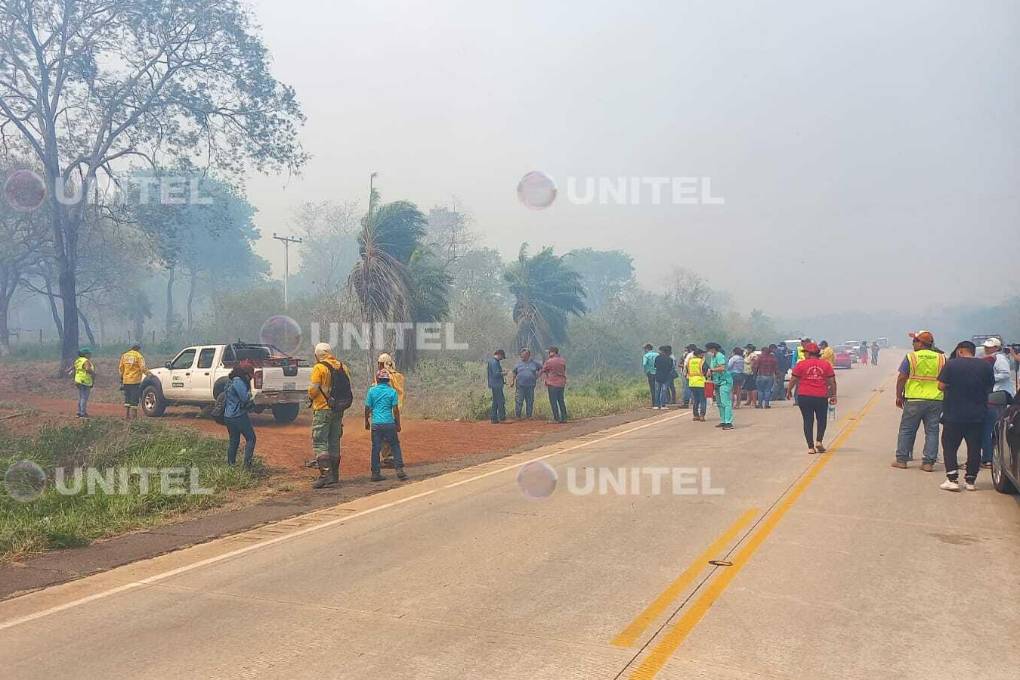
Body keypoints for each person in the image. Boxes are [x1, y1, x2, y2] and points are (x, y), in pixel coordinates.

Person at [937, 341, 994, 491]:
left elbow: (941, 386)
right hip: (977, 415)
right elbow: (990, 388)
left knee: (949, 446)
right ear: (973, 352)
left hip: (954, 413)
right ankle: (970, 481)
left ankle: (952, 479)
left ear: (960, 351)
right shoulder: (985, 366)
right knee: (974, 448)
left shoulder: (952, 364)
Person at [892, 330, 946, 471]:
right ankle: (928, 463)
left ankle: (902, 460)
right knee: (932, 431)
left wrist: (899, 395)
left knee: (907, 430)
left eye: (915, 341)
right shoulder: (942, 358)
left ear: (922, 343)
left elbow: (902, 377)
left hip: (914, 399)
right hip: (936, 400)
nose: (913, 344)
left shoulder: (911, 357)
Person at [308, 342, 353, 489]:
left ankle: (324, 476)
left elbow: (313, 391)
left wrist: (311, 395)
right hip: (338, 409)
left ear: (318, 355)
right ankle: (334, 475)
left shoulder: (319, 368)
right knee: (334, 441)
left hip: (322, 409)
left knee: (320, 441)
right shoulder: (342, 366)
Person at [787, 342, 837, 454]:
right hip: (821, 396)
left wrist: (789, 390)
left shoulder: (801, 365)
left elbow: (794, 379)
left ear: (809, 353)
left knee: (808, 420)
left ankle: (810, 447)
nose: (804, 355)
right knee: (821, 420)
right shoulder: (826, 365)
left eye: (805, 353)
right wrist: (833, 395)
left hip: (804, 396)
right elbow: (832, 382)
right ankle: (819, 441)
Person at [365, 369, 407, 482]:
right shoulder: (392, 392)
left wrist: (366, 421)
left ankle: (375, 473)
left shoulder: (371, 391)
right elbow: (395, 410)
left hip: (376, 424)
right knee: (395, 446)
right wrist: (398, 423)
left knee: (375, 448)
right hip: (389, 423)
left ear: (377, 379)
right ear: (388, 380)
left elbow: (367, 408)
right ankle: (399, 470)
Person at [979, 337, 1015, 469]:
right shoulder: (990, 357)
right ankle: (988, 457)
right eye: (986, 346)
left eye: (990, 347)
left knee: (990, 428)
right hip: (994, 395)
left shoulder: (999, 359)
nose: (986, 348)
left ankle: (988, 458)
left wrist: (989, 378)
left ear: (996, 347)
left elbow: (1005, 374)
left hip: (999, 395)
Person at [223, 362, 257, 468]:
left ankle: (231, 465)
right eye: (250, 375)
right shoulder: (238, 381)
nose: (251, 378)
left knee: (234, 441)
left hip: (228, 416)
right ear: (245, 374)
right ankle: (247, 466)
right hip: (238, 415)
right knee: (251, 438)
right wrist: (251, 394)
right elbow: (244, 398)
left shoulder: (230, 380)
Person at [376, 353, 406, 468]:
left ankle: (389, 458)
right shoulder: (399, 376)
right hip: (397, 406)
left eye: (379, 363)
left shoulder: (384, 375)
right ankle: (395, 457)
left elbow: (379, 390)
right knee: (392, 433)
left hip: (386, 408)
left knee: (384, 434)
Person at [118, 343, 151, 420]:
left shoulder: (124, 355)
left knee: (127, 398)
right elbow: (142, 368)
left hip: (126, 380)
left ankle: (127, 415)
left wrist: (121, 378)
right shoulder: (139, 356)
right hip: (135, 380)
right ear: (138, 349)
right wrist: (149, 374)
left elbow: (121, 368)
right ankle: (134, 417)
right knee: (134, 398)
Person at [706, 343, 733, 430]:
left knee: (726, 402)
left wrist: (712, 370)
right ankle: (723, 420)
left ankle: (728, 422)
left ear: (713, 349)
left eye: (709, 349)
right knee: (719, 403)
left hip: (724, 381)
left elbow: (722, 368)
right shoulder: (713, 357)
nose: (708, 352)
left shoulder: (719, 356)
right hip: (717, 382)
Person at [512, 348, 543, 418]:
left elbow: (542, 368)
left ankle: (529, 416)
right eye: (521, 355)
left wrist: (538, 375)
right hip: (520, 385)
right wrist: (512, 381)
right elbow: (514, 372)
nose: (522, 357)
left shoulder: (534, 363)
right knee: (519, 401)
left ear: (528, 355)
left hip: (530, 385)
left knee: (530, 401)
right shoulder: (518, 364)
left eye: (523, 355)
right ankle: (518, 416)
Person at [542, 346, 568, 423]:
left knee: (553, 401)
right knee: (561, 401)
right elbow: (563, 369)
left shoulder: (549, 361)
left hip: (552, 383)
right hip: (561, 383)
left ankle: (556, 418)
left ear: (552, 352)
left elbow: (544, 369)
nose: (548, 354)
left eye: (549, 352)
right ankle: (564, 418)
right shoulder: (562, 360)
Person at [68, 347, 96, 418]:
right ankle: (83, 413)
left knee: (81, 396)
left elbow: (72, 368)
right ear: (86, 354)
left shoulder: (78, 360)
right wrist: (93, 373)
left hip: (78, 380)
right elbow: (87, 369)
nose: (90, 355)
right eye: (89, 354)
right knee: (84, 397)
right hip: (85, 380)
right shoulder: (86, 361)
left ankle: (79, 411)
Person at [687, 348, 708, 421]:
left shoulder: (689, 361)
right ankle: (702, 415)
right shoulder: (702, 361)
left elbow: (686, 370)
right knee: (703, 399)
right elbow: (706, 370)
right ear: (699, 354)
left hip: (692, 383)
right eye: (702, 353)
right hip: (701, 382)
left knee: (696, 399)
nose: (703, 355)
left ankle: (696, 415)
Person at [487, 349, 507, 424]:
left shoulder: (492, 361)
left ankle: (493, 418)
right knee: (500, 400)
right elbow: (496, 374)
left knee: (495, 401)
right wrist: (503, 373)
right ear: (499, 354)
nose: (502, 358)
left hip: (494, 384)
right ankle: (502, 417)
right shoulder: (494, 362)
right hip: (496, 384)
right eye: (502, 356)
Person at [653, 345, 674, 410]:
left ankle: (656, 405)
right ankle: (663, 405)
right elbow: (670, 368)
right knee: (664, 391)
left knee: (657, 391)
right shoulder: (670, 359)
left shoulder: (657, 358)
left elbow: (655, 366)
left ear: (662, 351)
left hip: (658, 376)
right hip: (666, 377)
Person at [679, 344, 697, 408]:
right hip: (697, 374)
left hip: (689, 374)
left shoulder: (688, 355)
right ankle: (695, 402)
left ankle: (686, 403)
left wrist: (685, 373)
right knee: (695, 388)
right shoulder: (698, 354)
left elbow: (685, 365)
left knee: (687, 388)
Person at [642, 343, 658, 408]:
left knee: (652, 388)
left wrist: (646, 371)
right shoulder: (657, 354)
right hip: (657, 372)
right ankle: (659, 402)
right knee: (658, 387)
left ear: (647, 349)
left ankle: (654, 403)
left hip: (650, 373)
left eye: (644, 349)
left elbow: (644, 364)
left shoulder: (646, 356)